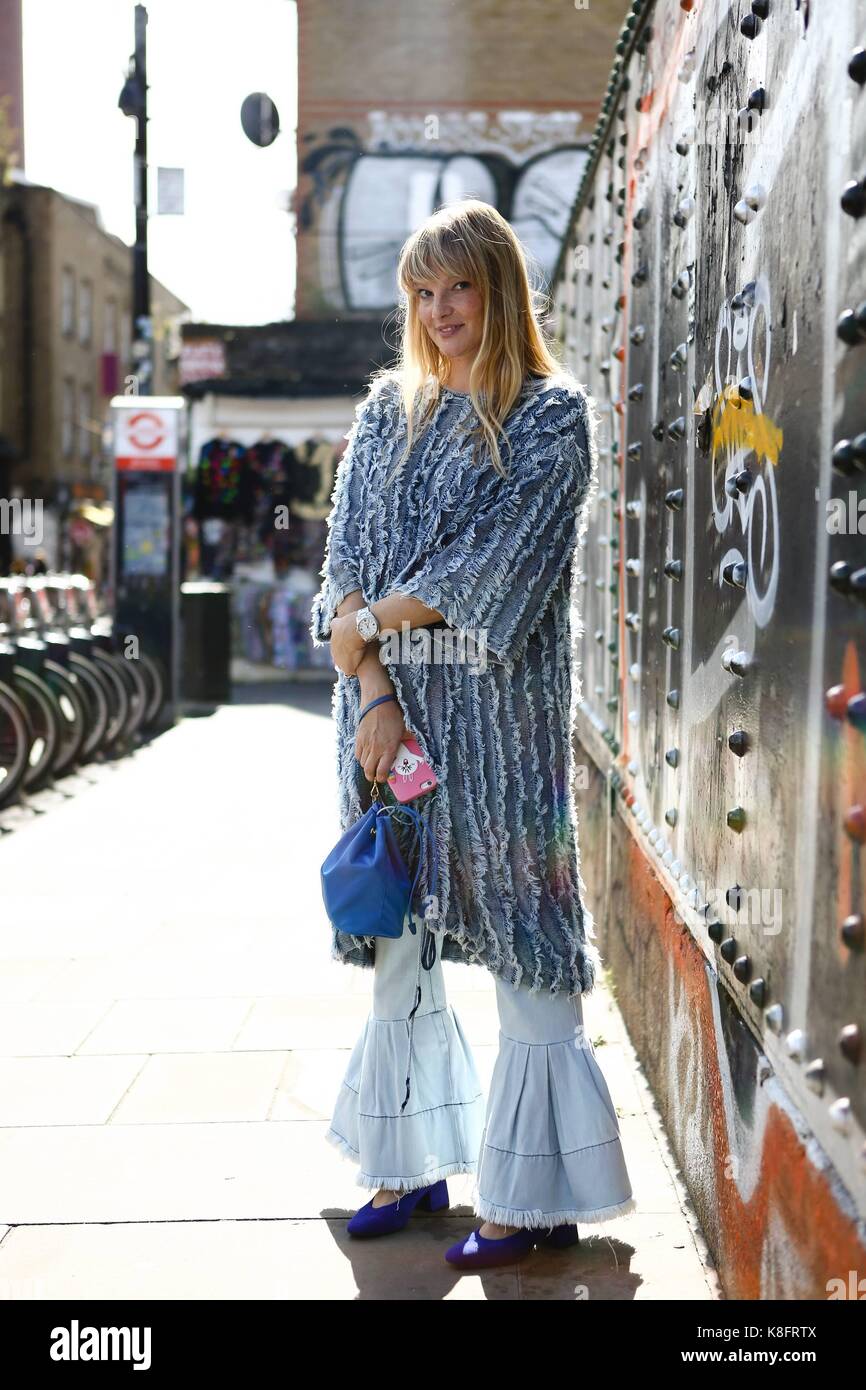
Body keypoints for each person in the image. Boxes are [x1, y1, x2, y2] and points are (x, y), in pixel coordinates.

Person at [310, 198, 634, 1271]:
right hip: (382, 729)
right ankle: (408, 1163)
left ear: (499, 291)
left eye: (460, 287)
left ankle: (537, 1195)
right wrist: (375, 691)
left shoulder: (549, 416)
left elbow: (496, 572)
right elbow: (343, 571)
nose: (440, 310)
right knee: (397, 940)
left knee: (524, 947)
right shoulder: (380, 414)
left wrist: (371, 623)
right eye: (422, 291)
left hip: (500, 736)